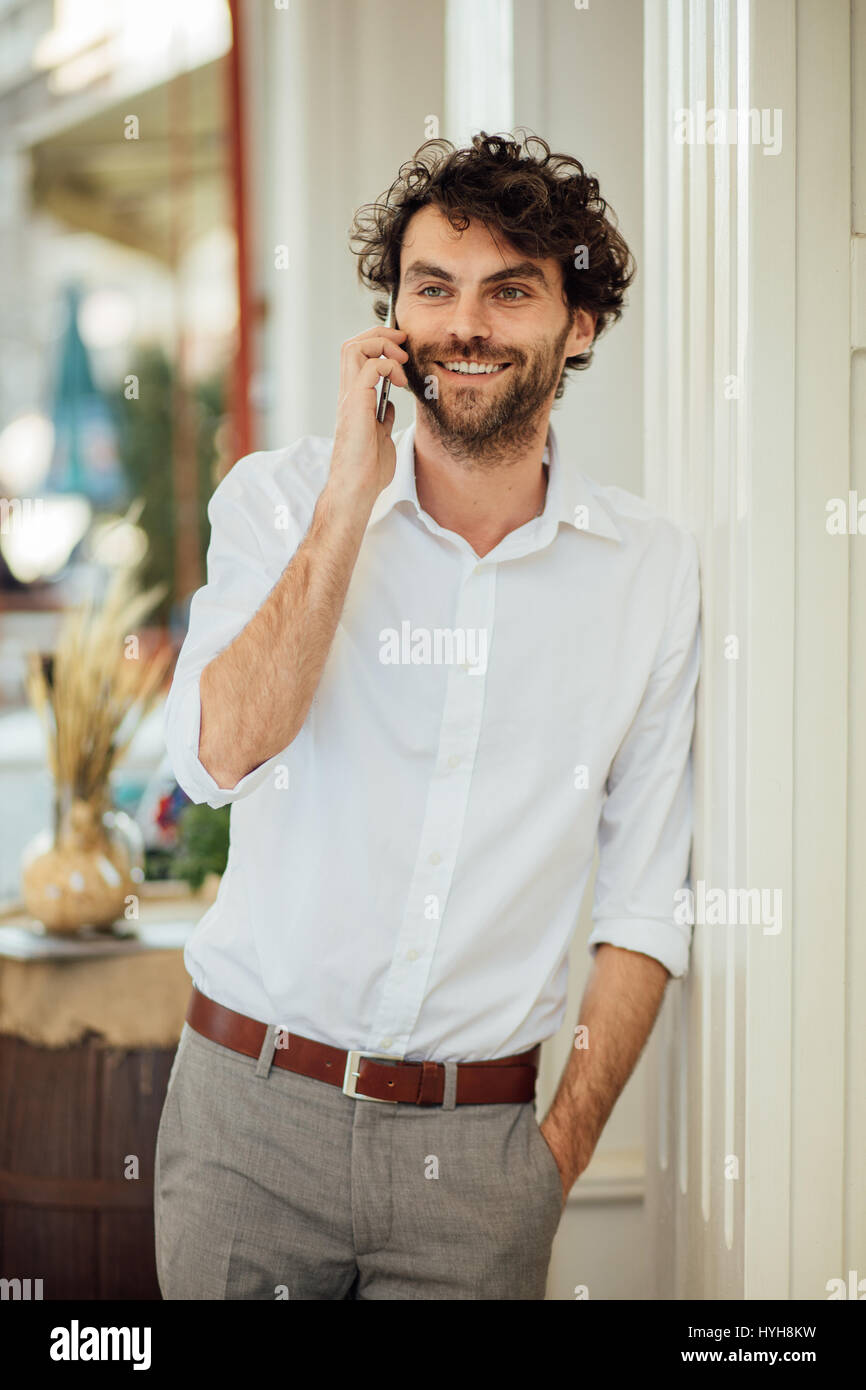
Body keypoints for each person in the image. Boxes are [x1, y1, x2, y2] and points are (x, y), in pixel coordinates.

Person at [154, 132, 701, 1301]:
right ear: (392, 318)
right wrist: (353, 498)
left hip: (483, 1161)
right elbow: (217, 753)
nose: (467, 323)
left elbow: (645, 905)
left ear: (580, 323)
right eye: (432, 287)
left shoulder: (647, 571)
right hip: (247, 1128)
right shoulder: (279, 499)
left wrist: (552, 1157)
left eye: (512, 290)